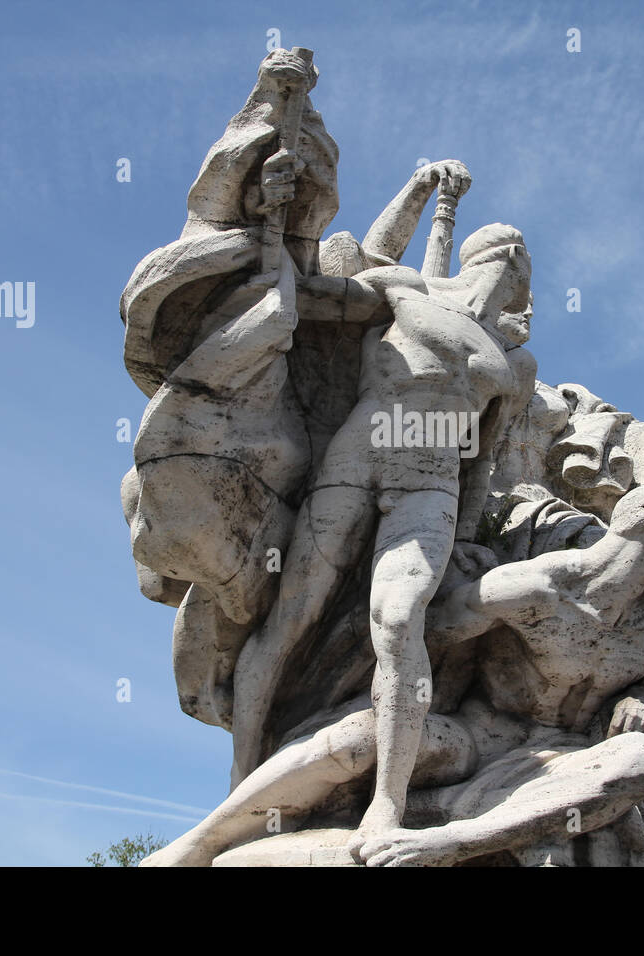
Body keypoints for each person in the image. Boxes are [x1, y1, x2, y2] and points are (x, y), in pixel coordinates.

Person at [142, 485, 644, 867]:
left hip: (569, 752)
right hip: (478, 738)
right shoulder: (531, 590)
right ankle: (199, 843)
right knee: (357, 738)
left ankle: (450, 843)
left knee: (640, 760)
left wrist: (641, 698)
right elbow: (417, 646)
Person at [230, 224, 538, 855]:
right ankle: (241, 783)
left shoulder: (515, 362)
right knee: (292, 618)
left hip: (432, 484)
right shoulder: (410, 287)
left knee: (399, 623)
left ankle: (386, 805)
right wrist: (269, 245)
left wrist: (468, 534)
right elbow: (310, 297)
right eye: (515, 261)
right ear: (504, 262)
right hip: (357, 455)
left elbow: (483, 458)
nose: (514, 277)